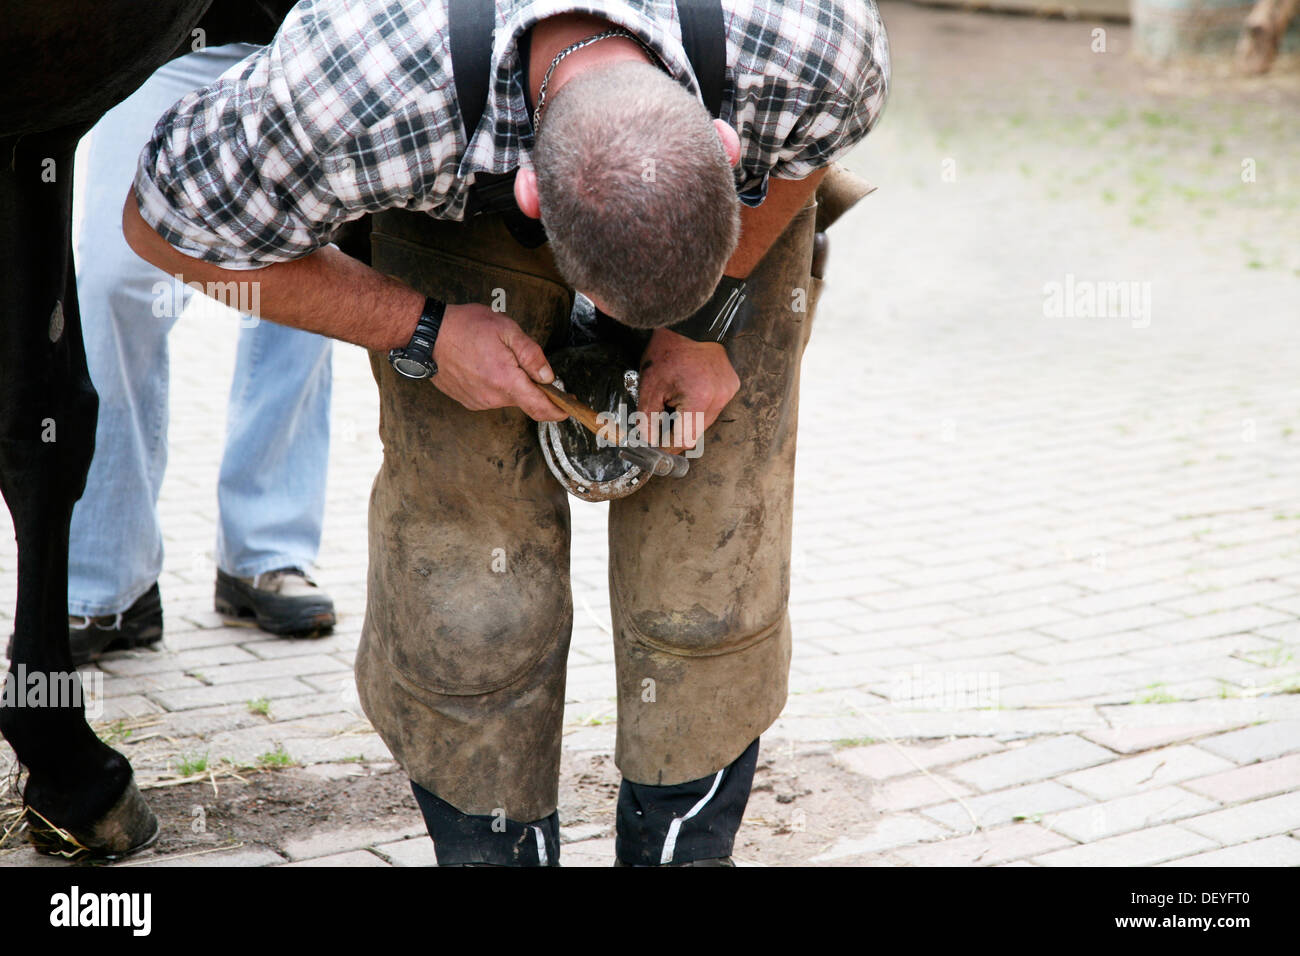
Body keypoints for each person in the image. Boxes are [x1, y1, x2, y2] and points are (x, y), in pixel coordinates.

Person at [121, 0, 889, 865]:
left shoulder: (811, 42)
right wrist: (420, 330)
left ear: (726, 141)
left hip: (696, 196)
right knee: (471, 585)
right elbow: (161, 224)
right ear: (527, 190)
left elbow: (811, 148)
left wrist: (708, 316)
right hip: (450, 168)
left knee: (711, 559)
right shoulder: (356, 85)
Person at [66, 3, 337, 665]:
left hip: (303, 43)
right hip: (150, 48)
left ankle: (265, 550)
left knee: (313, 281)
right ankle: (109, 579)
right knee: (109, 280)